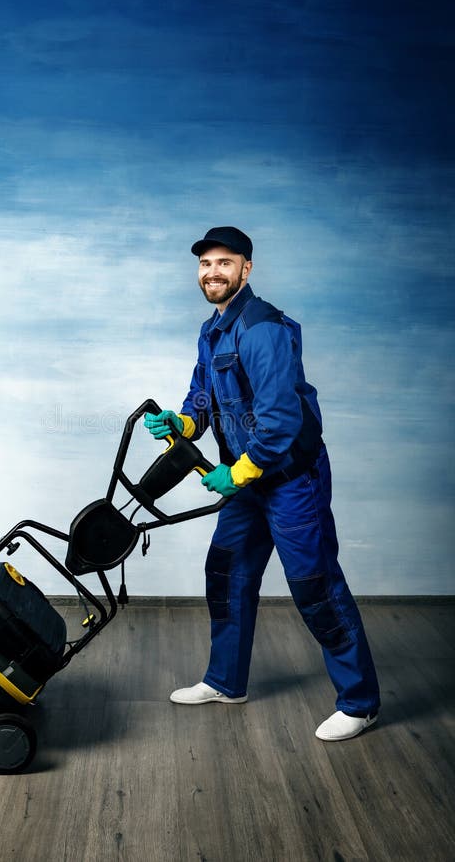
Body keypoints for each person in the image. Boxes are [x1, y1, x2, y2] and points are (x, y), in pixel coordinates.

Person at [144, 226, 380, 741]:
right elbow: (202, 397)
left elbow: (279, 422)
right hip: (248, 482)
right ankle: (227, 682)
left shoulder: (262, 328)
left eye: (224, 263)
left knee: (315, 585)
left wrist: (237, 473)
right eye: (206, 264)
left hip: (292, 479)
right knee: (226, 574)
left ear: (245, 269)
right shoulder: (212, 330)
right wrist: (181, 424)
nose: (213, 272)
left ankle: (360, 703)